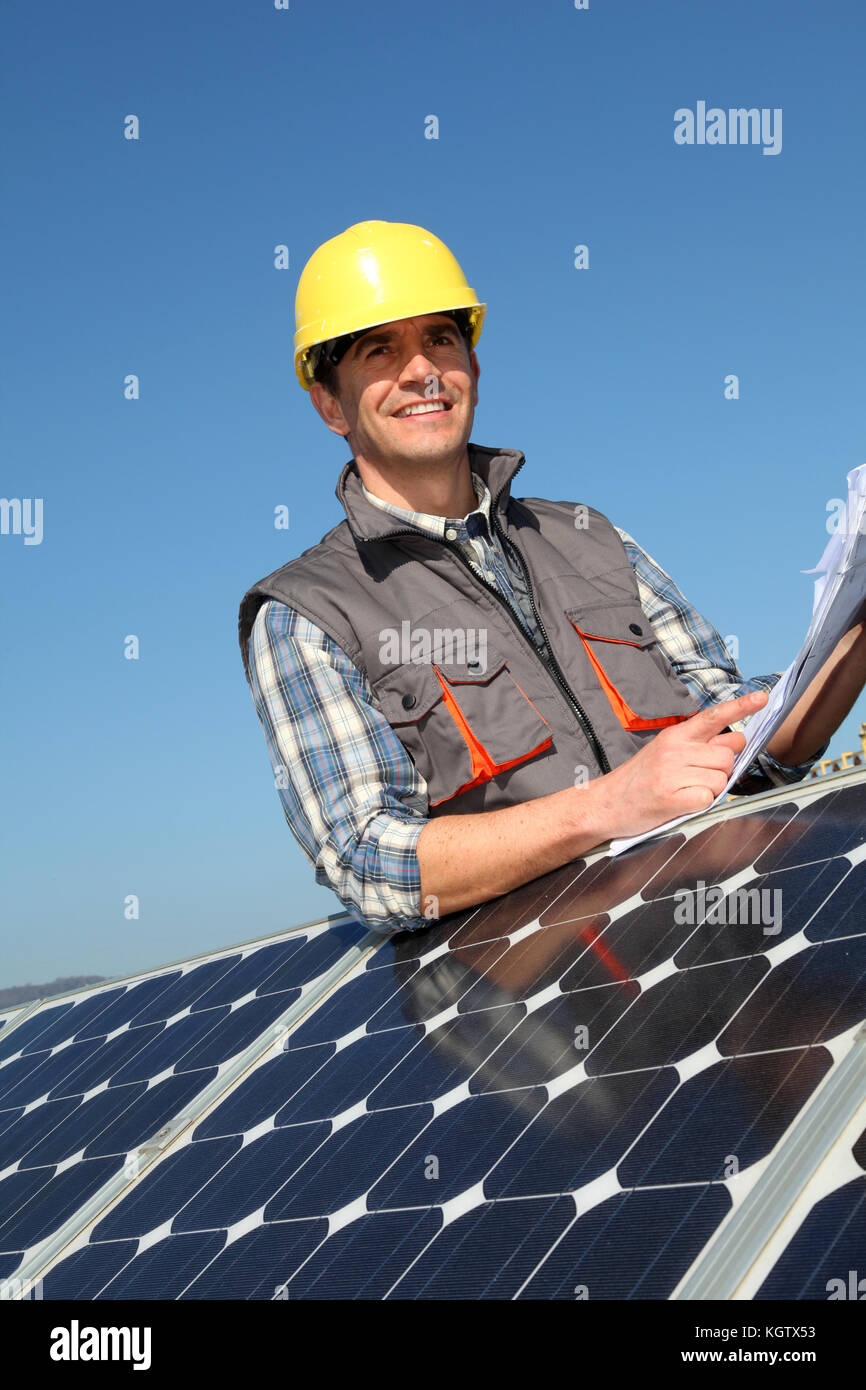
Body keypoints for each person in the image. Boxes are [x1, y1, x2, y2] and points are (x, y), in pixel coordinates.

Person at [238, 220, 866, 935]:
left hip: (723, 957)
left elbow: (746, 739)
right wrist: (608, 804)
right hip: (529, 1019)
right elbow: (371, 862)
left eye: (440, 339)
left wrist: (853, 638)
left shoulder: (591, 539)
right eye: (380, 350)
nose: (422, 370)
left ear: (472, 366)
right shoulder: (306, 612)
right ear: (329, 404)